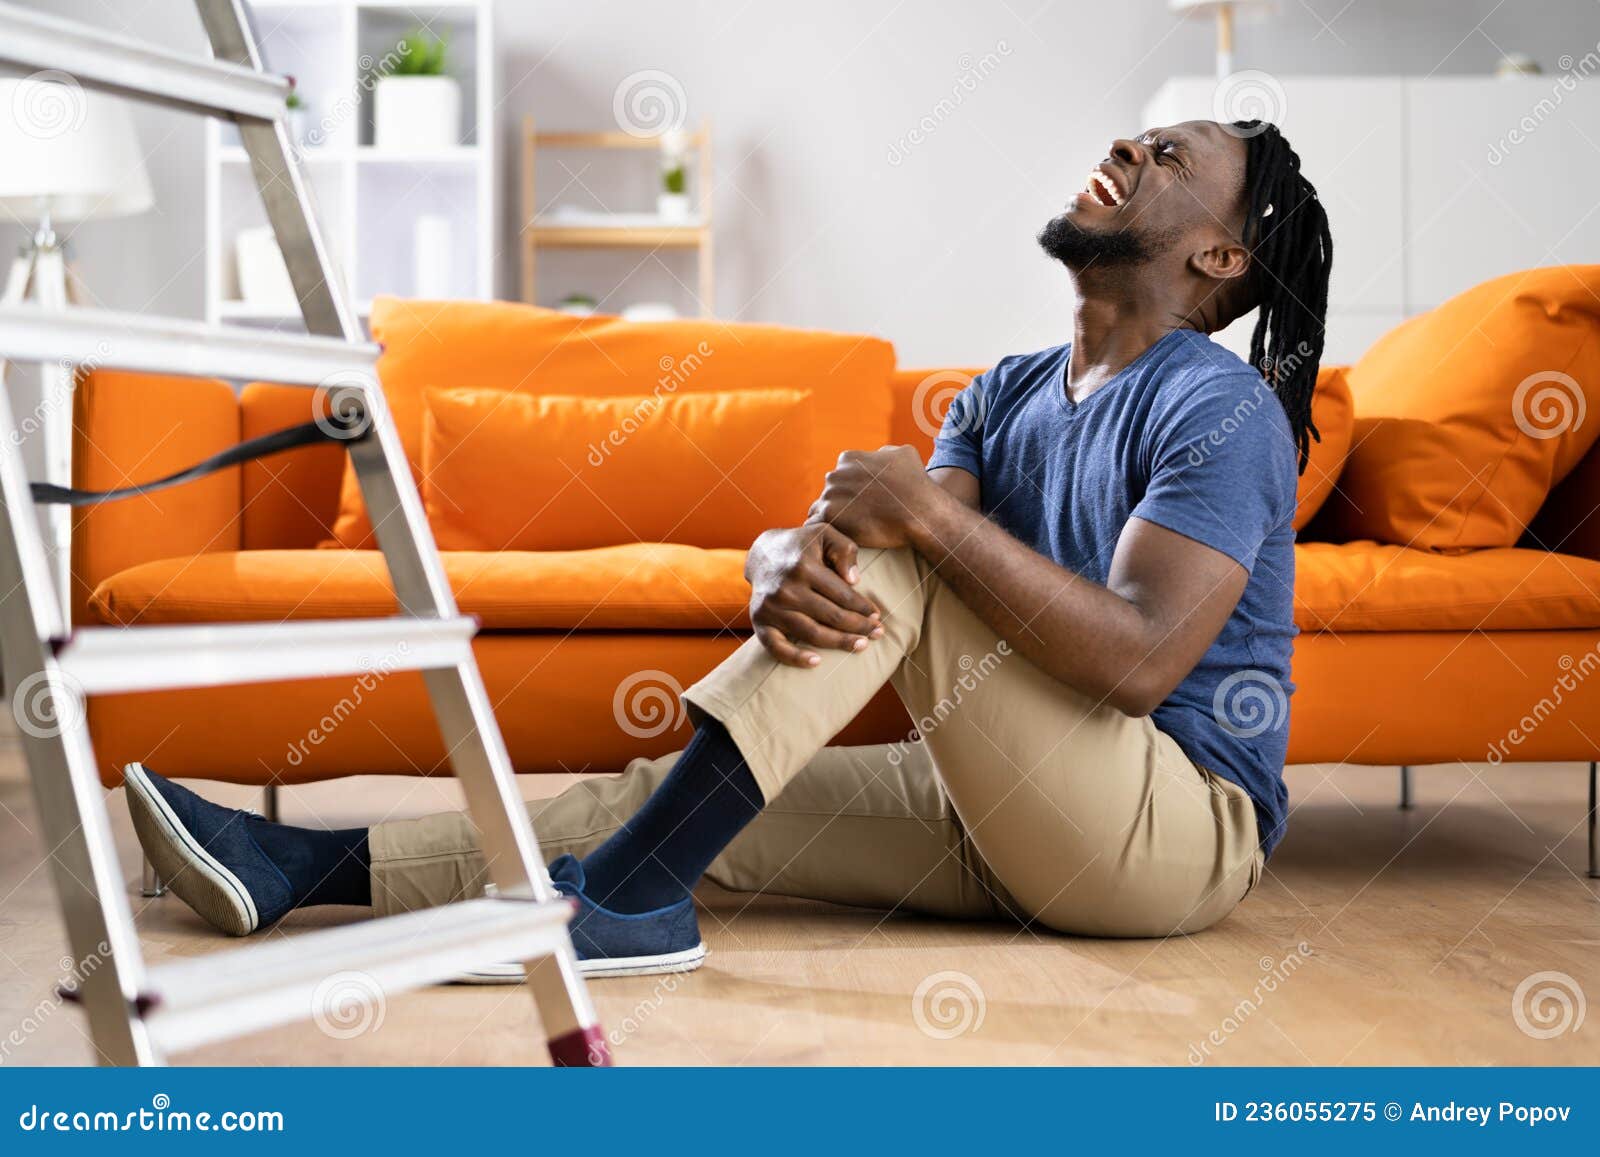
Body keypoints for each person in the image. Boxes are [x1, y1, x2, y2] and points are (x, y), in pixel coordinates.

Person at [124, 118, 1332, 978]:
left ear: (1219, 260)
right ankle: (295, 862)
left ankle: (636, 906)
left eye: (1169, 157)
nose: (1129, 149)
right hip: (1012, 818)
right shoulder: (1007, 388)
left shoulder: (1213, 409)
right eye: (1139, 136)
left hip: (1171, 835)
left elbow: (1136, 663)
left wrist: (913, 521)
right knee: (681, 799)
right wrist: (776, 556)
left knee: (911, 542)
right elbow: (868, 535)